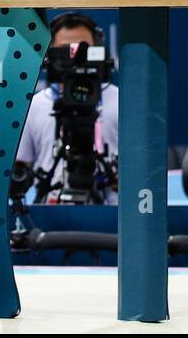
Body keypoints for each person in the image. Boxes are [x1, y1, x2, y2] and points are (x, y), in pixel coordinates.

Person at [16, 12, 119, 204]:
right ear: (50, 55)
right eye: (65, 51)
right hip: (53, 213)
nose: (75, 59)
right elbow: (21, 169)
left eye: (82, 49)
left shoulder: (124, 102)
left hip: (115, 216)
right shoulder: (34, 106)